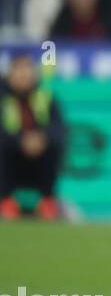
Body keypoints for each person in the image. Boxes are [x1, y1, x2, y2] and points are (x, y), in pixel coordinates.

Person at [0, 54, 67, 220]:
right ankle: (5, 200)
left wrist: (42, 138)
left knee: (55, 146)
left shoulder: (46, 98)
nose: (24, 77)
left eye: (27, 72)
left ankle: (47, 201)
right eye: (19, 72)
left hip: (39, 158)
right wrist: (20, 141)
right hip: (11, 158)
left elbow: (60, 128)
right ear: (9, 76)